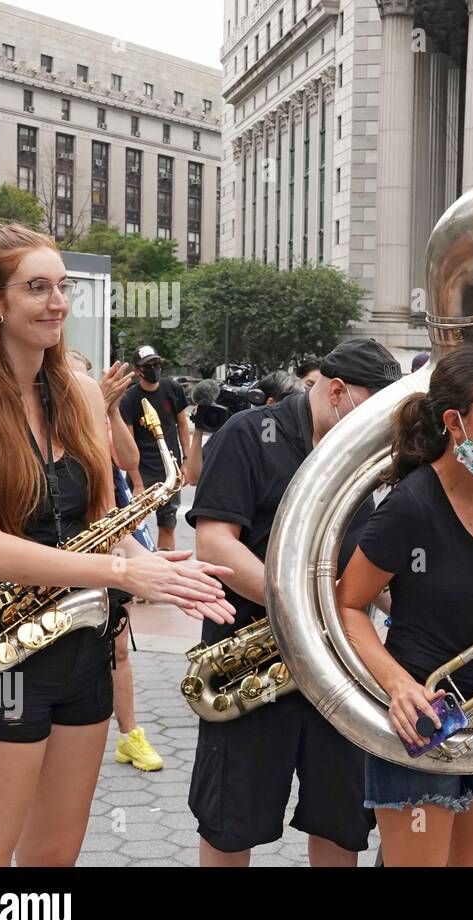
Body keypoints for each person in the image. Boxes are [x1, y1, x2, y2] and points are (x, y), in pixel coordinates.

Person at [0, 221, 232, 866]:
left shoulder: (82, 393)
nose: (58, 302)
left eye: (62, 286)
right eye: (36, 287)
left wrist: (155, 565)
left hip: (82, 650)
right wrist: (119, 573)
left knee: (52, 863)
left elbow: (105, 518)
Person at [187, 338, 402, 867]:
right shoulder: (246, 434)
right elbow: (215, 543)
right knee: (230, 823)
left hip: (339, 667)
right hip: (252, 657)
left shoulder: (358, 456)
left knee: (342, 820)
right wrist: (302, 614)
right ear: (336, 391)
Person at [336, 344, 473, 866]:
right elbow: (348, 605)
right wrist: (398, 686)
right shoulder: (412, 502)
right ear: (455, 421)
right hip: (423, 720)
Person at [64, 349, 165, 773]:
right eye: (78, 381)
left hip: (112, 539)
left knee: (117, 645)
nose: (87, 386)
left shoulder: (100, 412)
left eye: (89, 379)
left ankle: (128, 735)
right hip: (68, 549)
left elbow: (128, 461)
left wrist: (108, 410)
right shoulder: (53, 420)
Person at [120, 345, 191, 551]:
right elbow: (128, 442)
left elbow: (183, 425)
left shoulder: (172, 389)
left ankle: (167, 566)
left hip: (169, 469)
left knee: (168, 524)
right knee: (132, 526)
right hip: (142, 470)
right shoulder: (130, 398)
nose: (154, 368)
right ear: (138, 369)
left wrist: (185, 461)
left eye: (156, 363)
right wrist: (137, 482)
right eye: (148, 365)